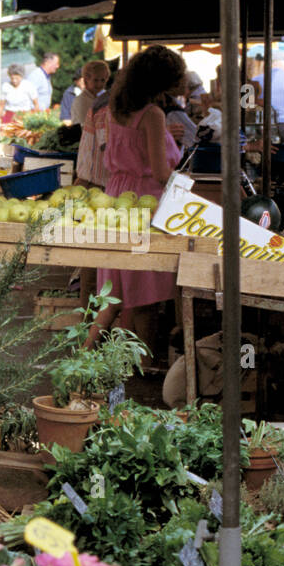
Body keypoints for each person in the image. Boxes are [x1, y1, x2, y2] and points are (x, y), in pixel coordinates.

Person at [86, 45, 187, 350]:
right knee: (144, 292)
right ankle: (140, 364)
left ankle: (85, 358)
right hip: (145, 203)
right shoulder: (153, 114)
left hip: (117, 196)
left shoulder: (118, 108)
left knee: (116, 291)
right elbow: (159, 171)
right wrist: (184, 187)